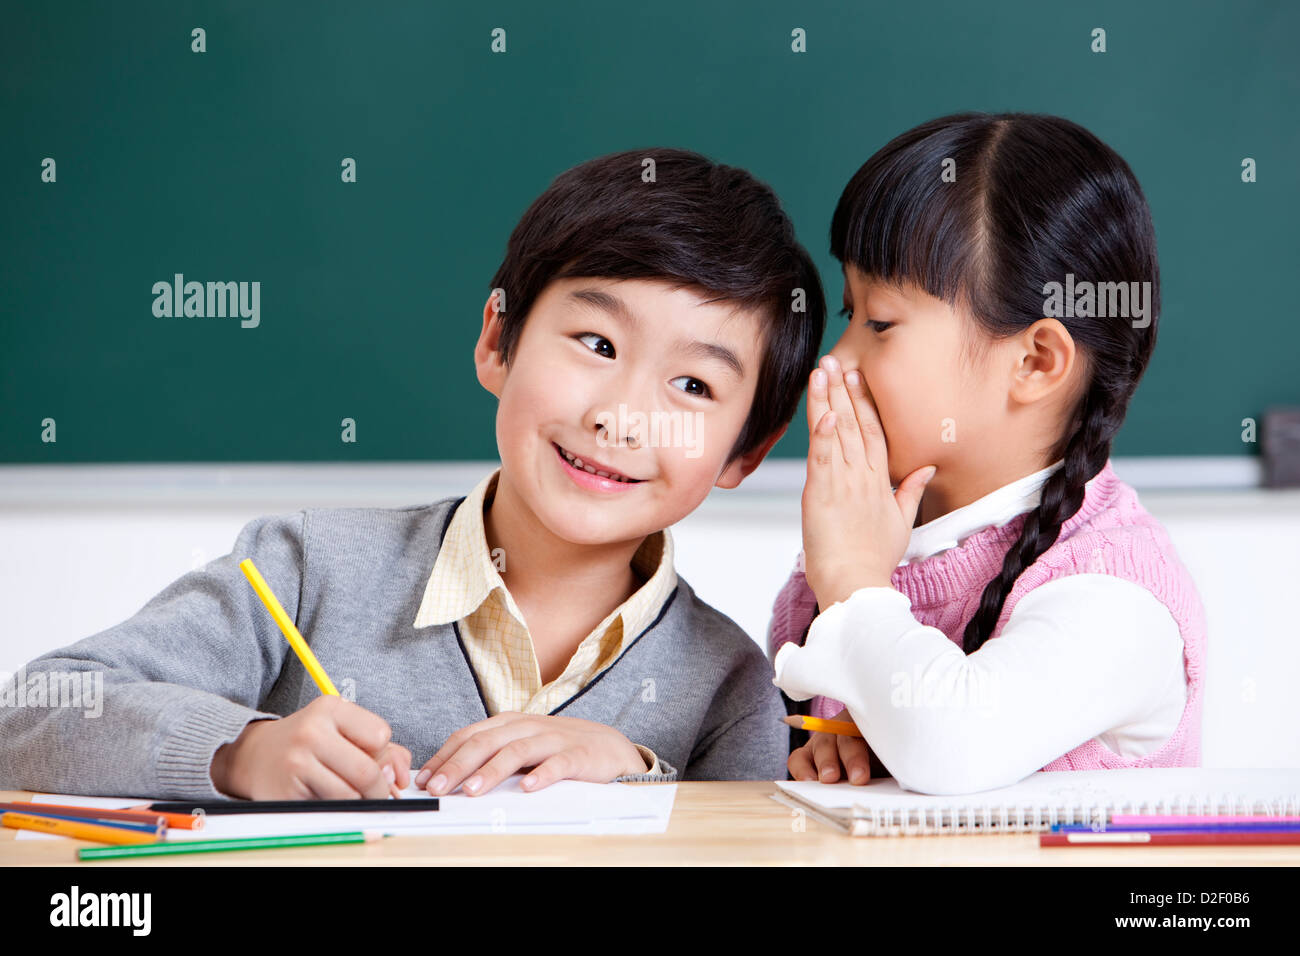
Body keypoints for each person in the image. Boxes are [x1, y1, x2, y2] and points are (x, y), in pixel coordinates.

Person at [0, 147, 825, 800]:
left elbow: (756, 842)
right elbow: (35, 712)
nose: (622, 416)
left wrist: (637, 772)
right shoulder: (307, 567)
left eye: (693, 386)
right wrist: (240, 752)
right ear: (496, 341)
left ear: (747, 450)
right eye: (597, 345)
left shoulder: (730, 684)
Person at [771, 112, 1207, 795]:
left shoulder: (1117, 592)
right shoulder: (873, 547)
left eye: (880, 323)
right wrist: (829, 753)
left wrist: (855, 581)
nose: (835, 361)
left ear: (1034, 362)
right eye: (846, 316)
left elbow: (952, 748)